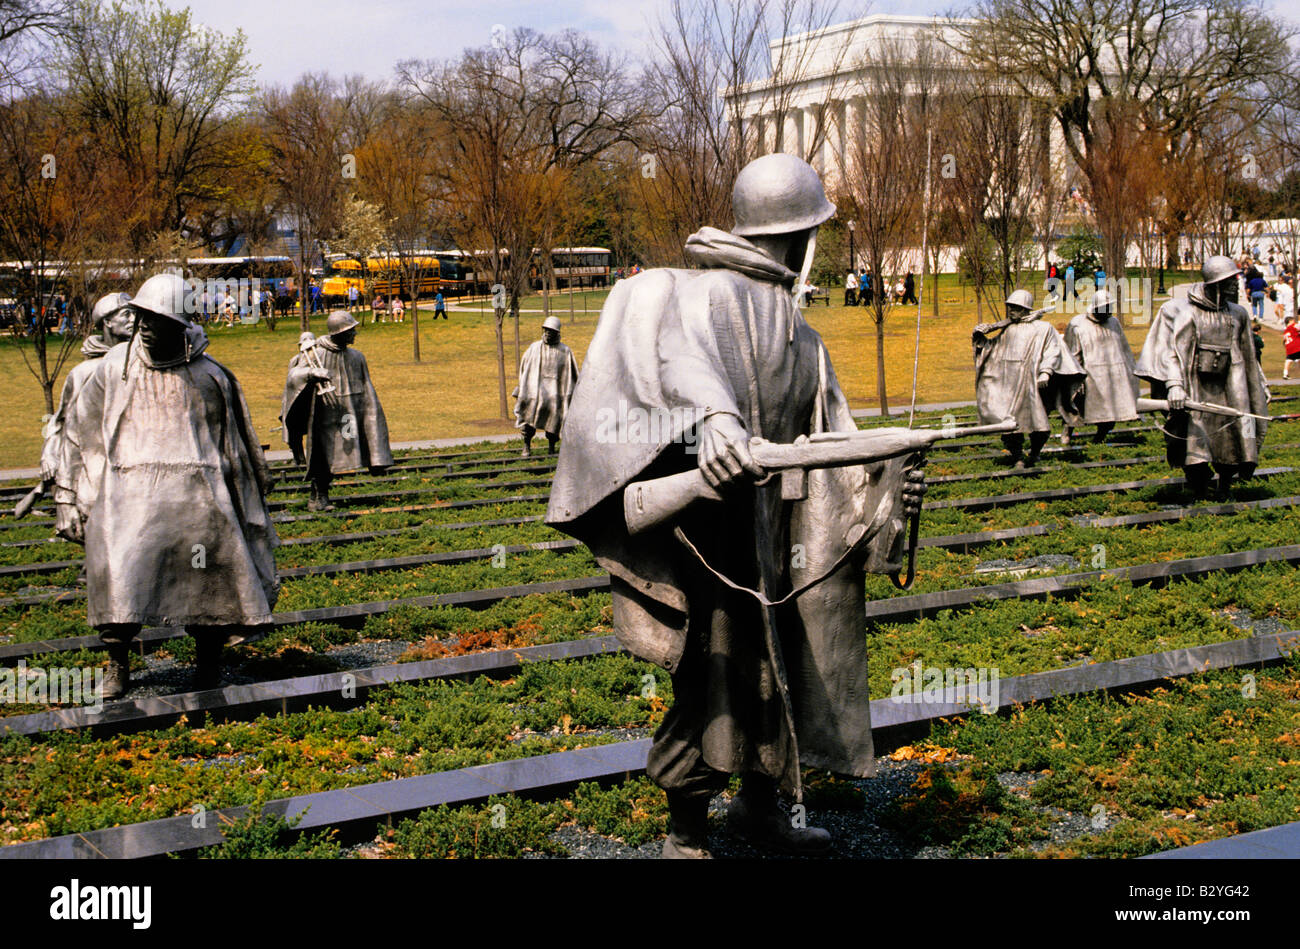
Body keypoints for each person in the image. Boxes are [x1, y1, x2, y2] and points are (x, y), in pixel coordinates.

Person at [546, 153, 925, 858]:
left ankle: (765, 807)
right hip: (710, 544)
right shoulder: (688, 293)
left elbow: (833, 438)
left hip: (778, 543)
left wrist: (890, 479)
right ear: (800, 236)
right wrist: (717, 422)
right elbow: (676, 358)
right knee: (710, 684)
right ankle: (686, 829)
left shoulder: (801, 335)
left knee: (775, 680)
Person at [59, 272, 279, 697]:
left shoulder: (210, 376)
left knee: (208, 580)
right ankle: (116, 663)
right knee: (119, 577)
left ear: (178, 325)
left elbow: (235, 446)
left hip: (199, 500)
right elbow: (80, 434)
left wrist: (242, 500)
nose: (144, 324)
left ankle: (209, 663)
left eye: (155, 318)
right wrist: (72, 497)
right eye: (141, 315)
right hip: (127, 497)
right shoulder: (110, 369)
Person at [1136, 255, 1269, 498]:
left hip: (1230, 385)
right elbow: (1175, 355)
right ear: (1215, 284)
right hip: (1195, 385)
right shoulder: (1188, 314)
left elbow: (1249, 355)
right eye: (1229, 282)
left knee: (1236, 435)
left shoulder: (1238, 314)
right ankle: (1198, 485)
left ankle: (1226, 485)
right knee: (1196, 441)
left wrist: (1259, 383)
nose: (1234, 286)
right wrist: (1175, 386)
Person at [40, 292, 134, 540]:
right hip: (97, 472)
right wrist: (49, 456)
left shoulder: (143, 366)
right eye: (126, 314)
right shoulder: (84, 373)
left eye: (136, 313)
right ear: (107, 322)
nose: (134, 319)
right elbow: (62, 423)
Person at [281, 310, 393, 512]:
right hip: (324, 414)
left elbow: (367, 388)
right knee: (323, 455)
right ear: (339, 333)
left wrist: (371, 416)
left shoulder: (357, 357)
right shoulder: (316, 353)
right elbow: (294, 375)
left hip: (350, 413)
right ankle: (318, 497)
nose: (355, 334)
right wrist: (311, 372)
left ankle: (324, 493)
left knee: (352, 450)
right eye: (351, 330)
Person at [973, 289, 1085, 468]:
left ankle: (1034, 453)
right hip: (1009, 383)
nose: (1011, 311)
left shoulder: (1043, 329)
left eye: (1016, 308)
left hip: (1033, 382)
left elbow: (1053, 351)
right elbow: (992, 350)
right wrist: (979, 336)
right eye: (1010, 307)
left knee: (1039, 423)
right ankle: (1017, 456)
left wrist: (1045, 372)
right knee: (1010, 425)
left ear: (1026, 309)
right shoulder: (1008, 329)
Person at [1060, 289, 1138, 446]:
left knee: (1110, 412)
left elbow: (1123, 349)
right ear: (1096, 307)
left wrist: (1130, 373)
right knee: (1076, 407)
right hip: (1089, 375)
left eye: (1110, 308)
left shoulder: (1114, 323)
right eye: (1105, 308)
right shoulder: (1078, 324)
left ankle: (1100, 437)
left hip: (1112, 374)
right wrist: (1077, 378)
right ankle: (1067, 432)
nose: (1108, 312)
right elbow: (1072, 355)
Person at [513, 315, 579, 456]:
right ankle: (526, 445)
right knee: (528, 413)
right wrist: (521, 387)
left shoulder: (565, 351)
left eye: (551, 330)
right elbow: (524, 369)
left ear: (557, 332)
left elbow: (570, 376)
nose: (548, 333)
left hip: (555, 394)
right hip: (535, 391)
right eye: (546, 330)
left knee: (555, 414)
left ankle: (551, 446)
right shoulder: (534, 348)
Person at [1283, 314, 1300, 379]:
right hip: (1297, 346)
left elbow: (1284, 341)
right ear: (1290, 321)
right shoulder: (1293, 326)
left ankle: (1285, 373)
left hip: (1289, 347)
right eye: (1293, 320)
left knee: (1288, 360)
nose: (1294, 321)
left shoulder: (1285, 331)